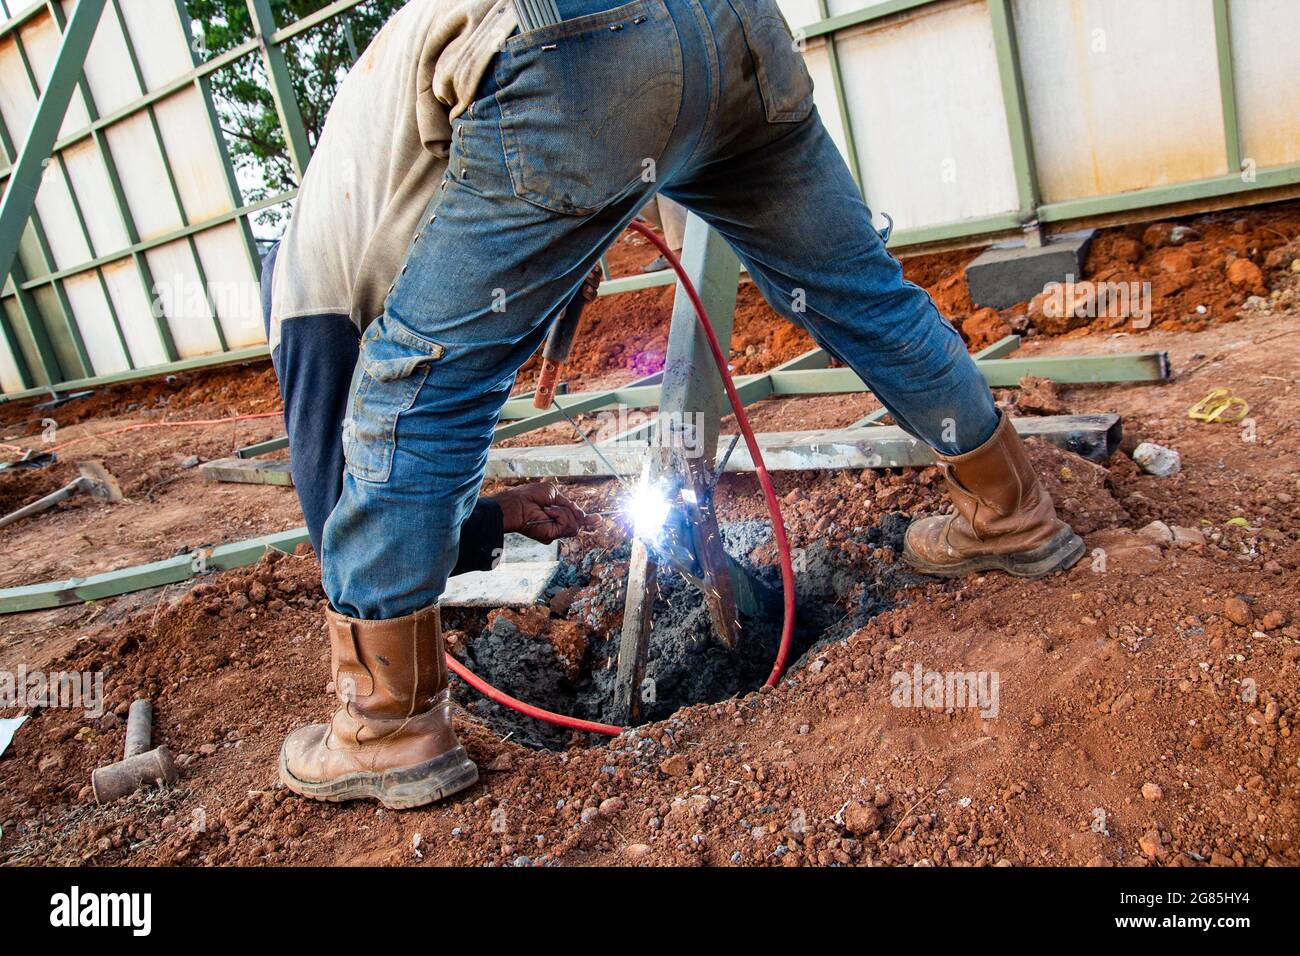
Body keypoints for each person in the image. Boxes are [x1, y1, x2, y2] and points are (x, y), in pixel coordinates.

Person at [272, 0, 1084, 810]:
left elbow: (337, 522)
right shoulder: (368, 174)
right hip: (733, 31)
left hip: (572, 50)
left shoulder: (304, 286)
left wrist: (467, 513)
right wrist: (504, 516)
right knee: (861, 292)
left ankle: (388, 727)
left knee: (415, 383)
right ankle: (1011, 512)